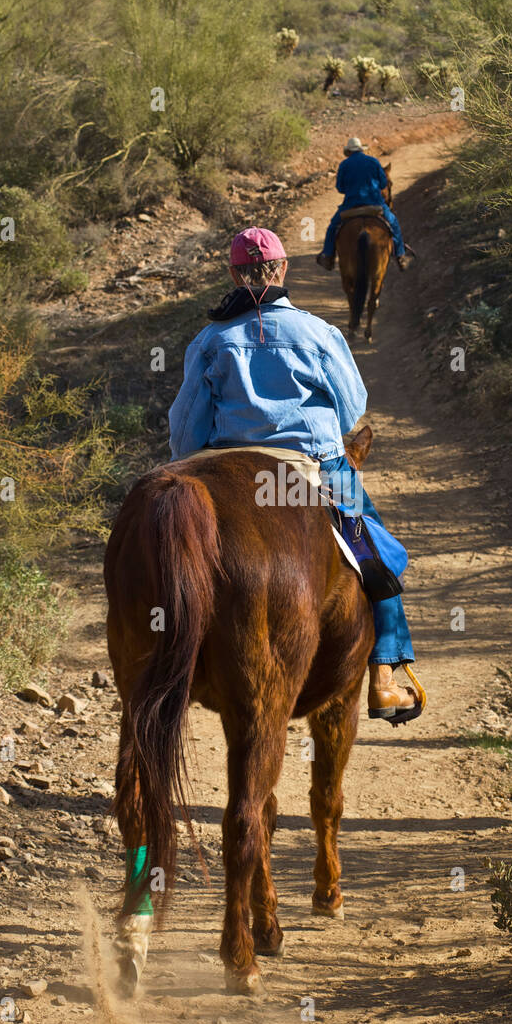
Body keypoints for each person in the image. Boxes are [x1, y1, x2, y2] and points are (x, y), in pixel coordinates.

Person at [168, 225, 424, 724]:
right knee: (376, 557)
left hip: (223, 469)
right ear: (282, 269)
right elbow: (353, 409)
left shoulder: (210, 340)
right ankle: (384, 679)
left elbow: (185, 430)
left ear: (233, 274)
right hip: (316, 470)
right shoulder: (319, 333)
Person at [316, 136, 414, 272]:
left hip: (351, 205)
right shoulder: (373, 162)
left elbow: (340, 188)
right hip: (374, 204)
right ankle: (400, 255)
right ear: (361, 150)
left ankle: (328, 256)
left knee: (333, 227)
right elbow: (383, 183)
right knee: (394, 223)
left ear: (349, 152)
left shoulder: (344, 164)